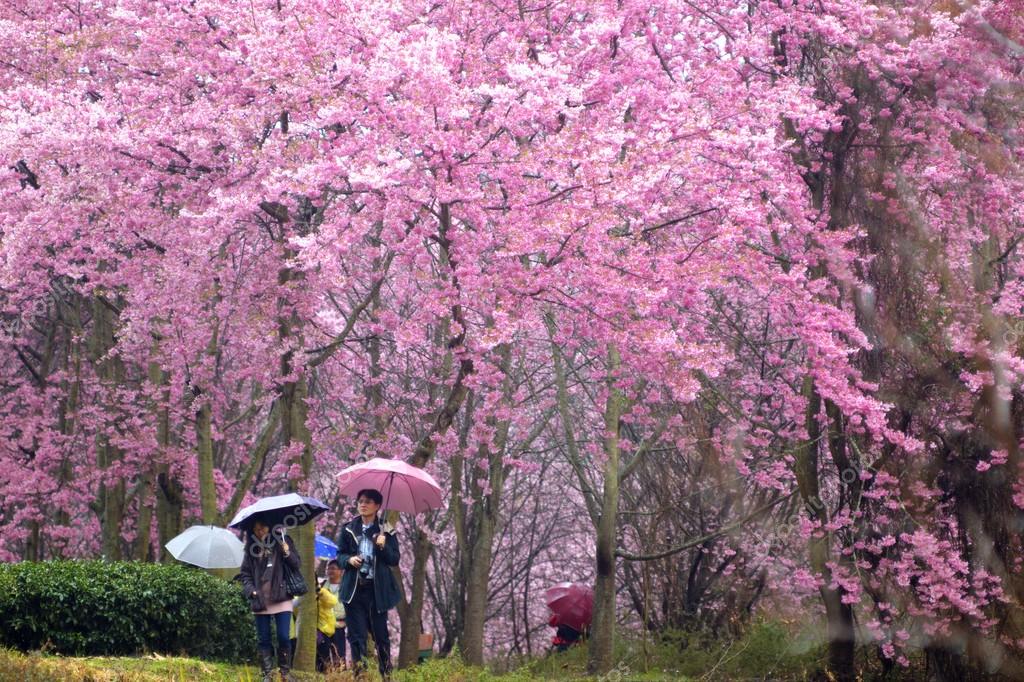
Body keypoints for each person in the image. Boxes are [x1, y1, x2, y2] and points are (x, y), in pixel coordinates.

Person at [337, 488, 401, 678]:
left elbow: (394, 559)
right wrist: (348, 560)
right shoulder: (349, 528)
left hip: (377, 592)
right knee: (356, 637)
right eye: (360, 501)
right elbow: (339, 555)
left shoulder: (386, 529)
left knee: (381, 637)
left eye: (368, 502)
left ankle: (386, 675)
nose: (362, 505)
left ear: (377, 506)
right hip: (354, 590)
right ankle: (360, 676)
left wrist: (382, 546)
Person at [239, 516, 300, 682]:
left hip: (281, 596)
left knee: (283, 636)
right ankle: (267, 673)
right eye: (256, 529)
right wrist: (251, 591)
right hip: (260, 599)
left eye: (263, 528)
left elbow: (296, 564)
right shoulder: (251, 549)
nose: (260, 532)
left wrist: (287, 551)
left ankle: (285, 672)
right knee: (264, 638)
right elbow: (245, 574)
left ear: (270, 527)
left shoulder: (283, 540)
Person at [324, 560, 348, 669]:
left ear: (341, 571)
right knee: (323, 657)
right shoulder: (322, 585)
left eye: (333, 568)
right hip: (323, 627)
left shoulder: (346, 587)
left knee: (339, 656)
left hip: (339, 626)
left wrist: (346, 622)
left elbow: (351, 607)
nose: (330, 571)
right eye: (329, 568)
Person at [313, 576, 341, 672]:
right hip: (314, 630)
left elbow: (332, 601)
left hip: (325, 630)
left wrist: (320, 591)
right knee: (318, 657)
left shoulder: (323, 592)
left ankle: (328, 674)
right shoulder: (302, 593)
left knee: (327, 656)